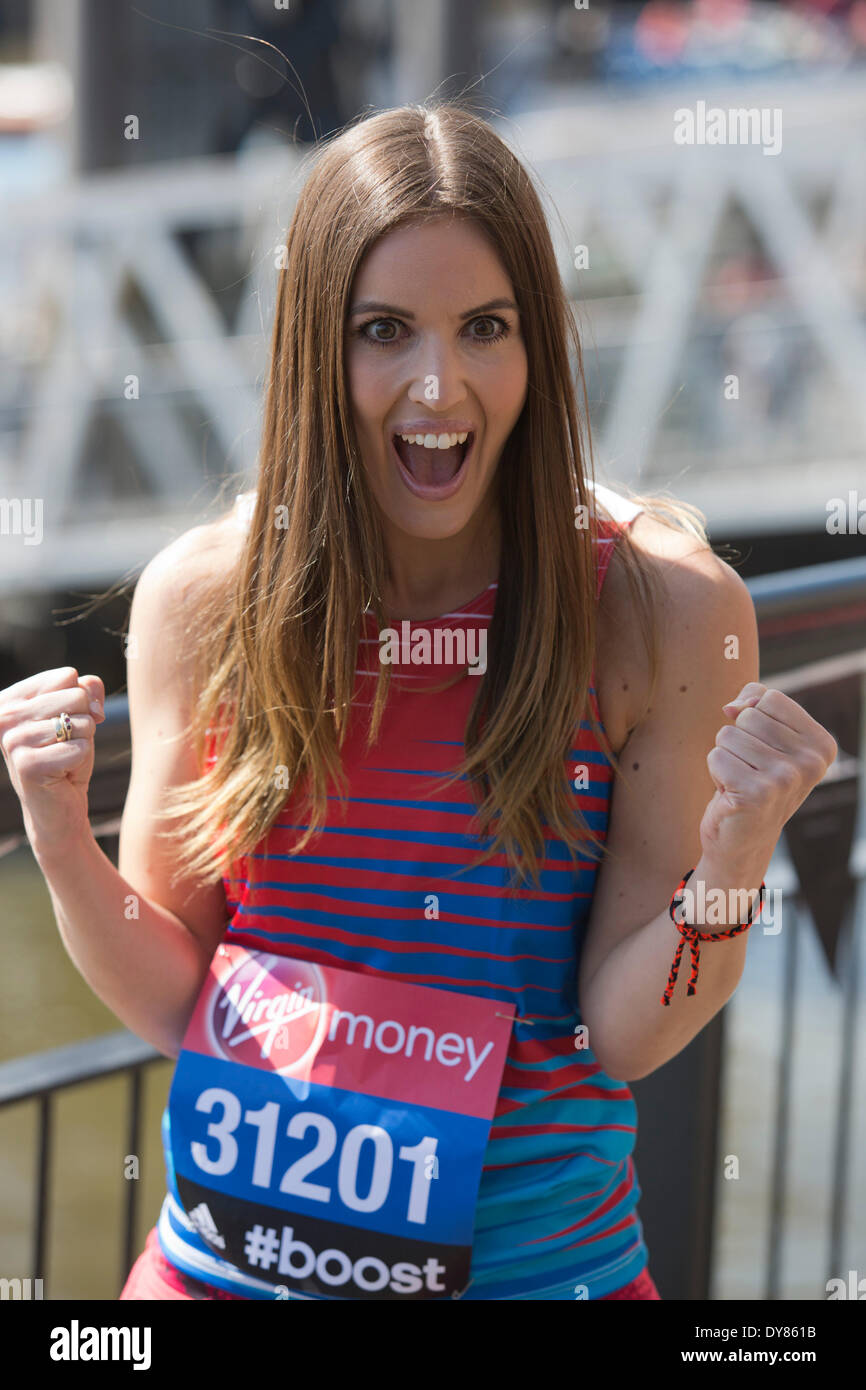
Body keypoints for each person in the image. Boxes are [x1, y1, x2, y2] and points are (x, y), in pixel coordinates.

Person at [0, 103, 837, 1302]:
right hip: (222, 1276)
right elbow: (182, 1000)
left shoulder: (654, 607)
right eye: (382, 331)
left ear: (537, 346)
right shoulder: (203, 595)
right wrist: (57, 833)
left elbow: (622, 1031)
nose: (435, 385)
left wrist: (735, 859)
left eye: (483, 328)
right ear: (312, 351)